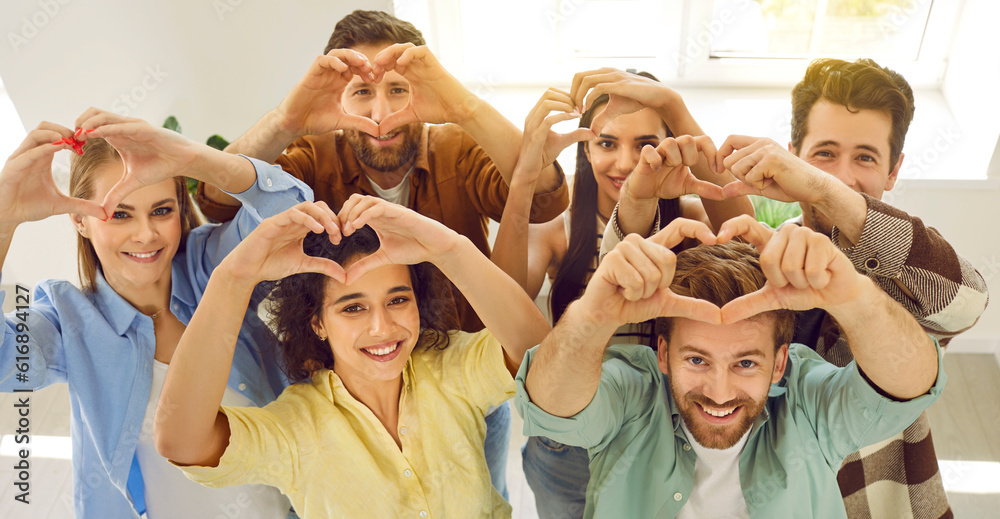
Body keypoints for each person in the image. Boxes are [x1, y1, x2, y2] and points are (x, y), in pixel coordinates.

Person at [609, 58, 987, 518]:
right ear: (793, 153)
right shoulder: (766, 250)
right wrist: (644, 183)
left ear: (893, 170)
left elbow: (967, 302)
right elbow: (634, 300)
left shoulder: (905, 268)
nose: (842, 175)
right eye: (824, 153)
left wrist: (823, 188)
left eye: (865, 157)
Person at [198, 10, 556, 493]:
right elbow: (215, 201)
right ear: (338, 97)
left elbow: (547, 198)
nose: (380, 112)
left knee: (483, 494)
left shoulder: (456, 146)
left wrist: (464, 107)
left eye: (396, 89)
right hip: (355, 393)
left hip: (467, 381)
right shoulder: (314, 156)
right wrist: (287, 119)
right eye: (362, 92)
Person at [515, 215, 945, 519]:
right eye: (697, 359)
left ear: (779, 364)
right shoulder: (634, 393)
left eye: (744, 363)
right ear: (663, 354)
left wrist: (855, 297)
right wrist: (592, 316)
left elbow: (905, 390)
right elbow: (552, 408)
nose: (719, 392)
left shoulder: (806, 403)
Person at [154, 197, 551, 518]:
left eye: (398, 300)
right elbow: (180, 443)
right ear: (317, 323)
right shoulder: (297, 427)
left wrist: (449, 249)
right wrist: (232, 278)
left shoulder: (452, 367)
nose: (382, 327)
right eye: (352, 308)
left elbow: (543, 358)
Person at [0, 110, 312, 517]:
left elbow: (294, 216)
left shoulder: (212, 267)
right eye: (120, 214)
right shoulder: (69, 321)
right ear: (79, 219)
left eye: (161, 210)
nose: (145, 234)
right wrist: (4, 220)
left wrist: (191, 158)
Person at [490, 69, 754, 518]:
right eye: (607, 143)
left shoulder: (687, 216)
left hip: (658, 426)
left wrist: (675, 105)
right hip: (568, 437)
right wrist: (525, 177)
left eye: (646, 144)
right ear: (586, 148)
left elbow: (746, 243)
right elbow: (500, 304)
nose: (626, 163)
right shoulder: (562, 228)